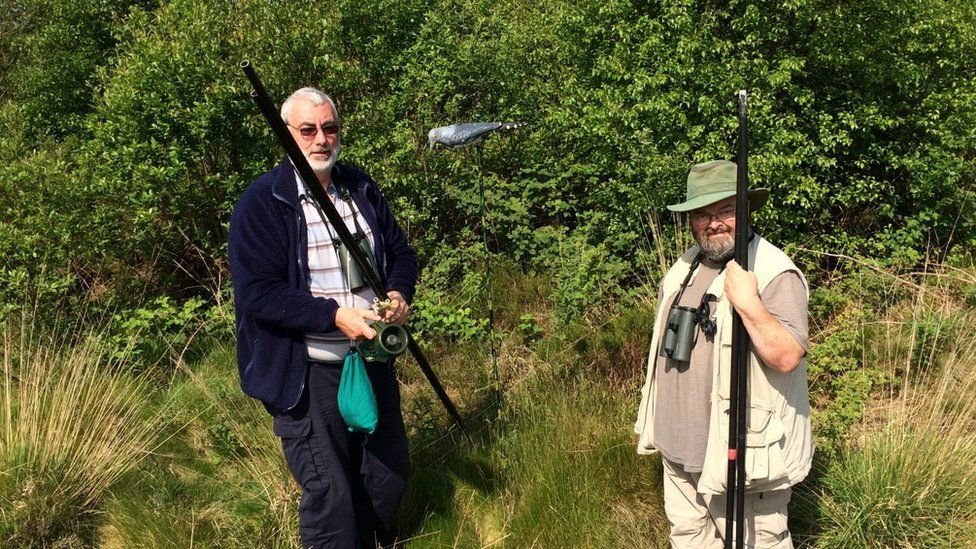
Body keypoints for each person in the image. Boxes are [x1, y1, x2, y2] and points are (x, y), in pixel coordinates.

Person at [229, 87, 417, 548]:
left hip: (371, 359)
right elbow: (258, 294)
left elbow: (401, 253)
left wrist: (397, 291)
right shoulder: (262, 203)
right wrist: (334, 316)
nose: (321, 139)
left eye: (329, 128)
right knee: (329, 495)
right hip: (307, 372)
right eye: (308, 129)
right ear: (288, 135)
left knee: (387, 473)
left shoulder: (360, 188)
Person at [634, 160, 813, 548]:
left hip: (740, 457)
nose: (713, 222)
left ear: (747, 209)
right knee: (689, 537)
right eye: (702, 213)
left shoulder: (773, 272)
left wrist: (750, 305)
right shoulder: (687, 263)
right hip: (679, 448)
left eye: (725, 210)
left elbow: (786, 357)